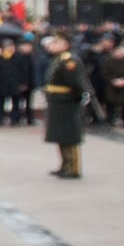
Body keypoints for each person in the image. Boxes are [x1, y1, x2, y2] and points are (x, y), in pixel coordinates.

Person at [42, 35, 91, 178]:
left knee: (71, 136)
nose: (51, 45)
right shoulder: (58, 60)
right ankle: (65, 165)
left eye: (55, 42)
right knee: (60, 136)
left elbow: (76, 84)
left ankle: (74, 167)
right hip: (57, 103)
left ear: (65, 44)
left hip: (67, 103)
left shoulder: (69, 61)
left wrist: (75, 100)